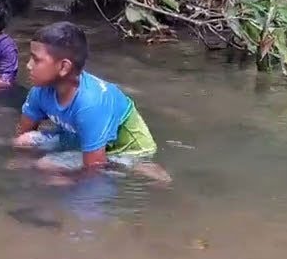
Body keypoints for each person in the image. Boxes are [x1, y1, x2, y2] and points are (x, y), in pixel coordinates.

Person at [11, 21, 169, 183]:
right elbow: (23, 131)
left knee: (46, 165)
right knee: (23, 143)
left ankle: (137, 166)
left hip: (123, 148)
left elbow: (94, 168)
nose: (29, 66)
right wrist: (21, 167)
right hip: (76, 137)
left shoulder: (91, 103)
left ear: (64, 67)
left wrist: (70, 182)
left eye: (36, 60)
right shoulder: (40, 90)